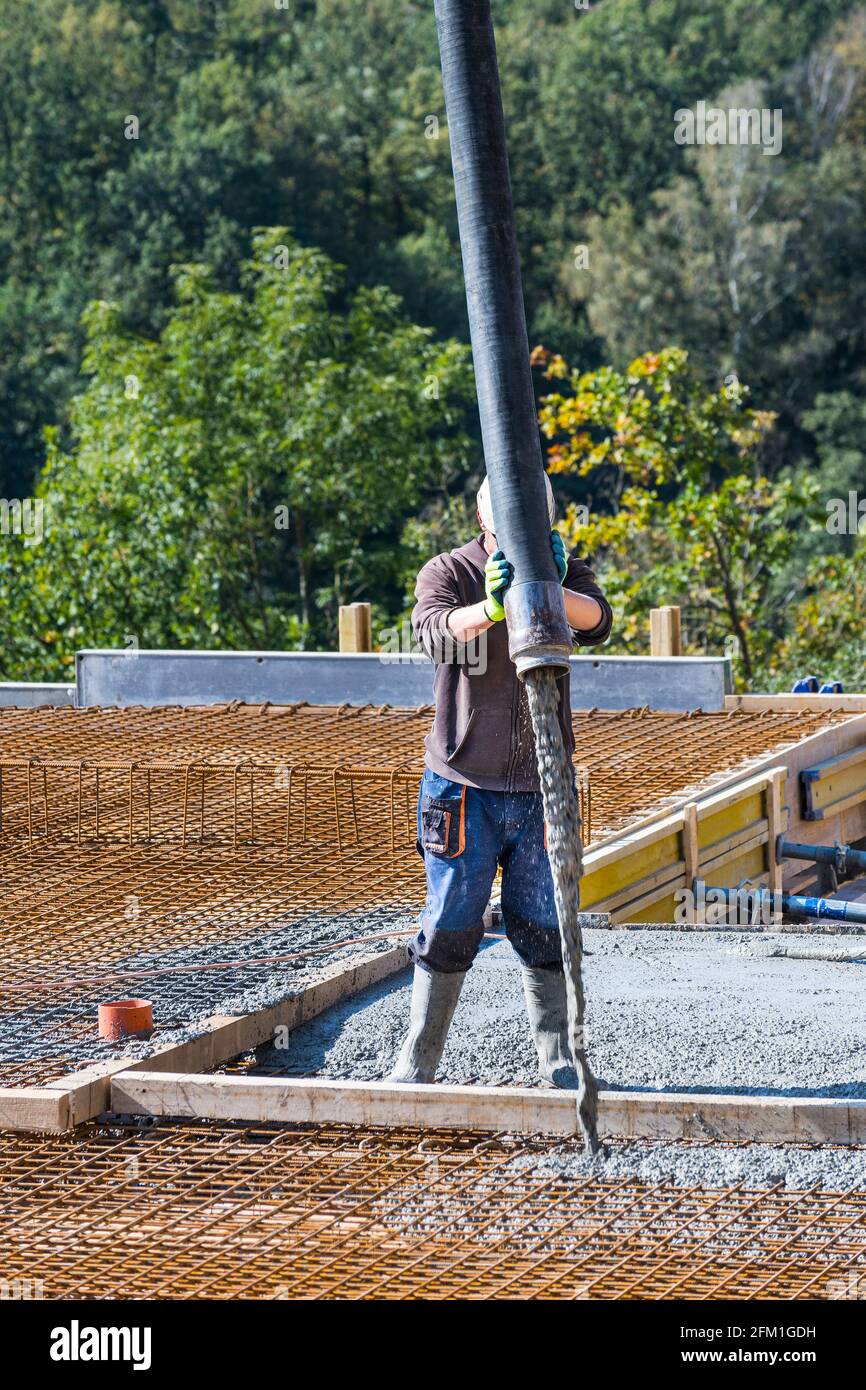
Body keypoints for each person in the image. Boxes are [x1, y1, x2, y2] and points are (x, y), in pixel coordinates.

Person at [389, 475, 613, 1086]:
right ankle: (419, 1060)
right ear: (485, 520)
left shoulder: (565, 569)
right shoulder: (449, 571)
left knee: (543, 918)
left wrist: (550, 588)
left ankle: (559, 1061)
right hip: (463, 784)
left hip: (542, 782)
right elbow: (434, 634)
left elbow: (597, 622)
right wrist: (491, 607)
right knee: (453, 917)